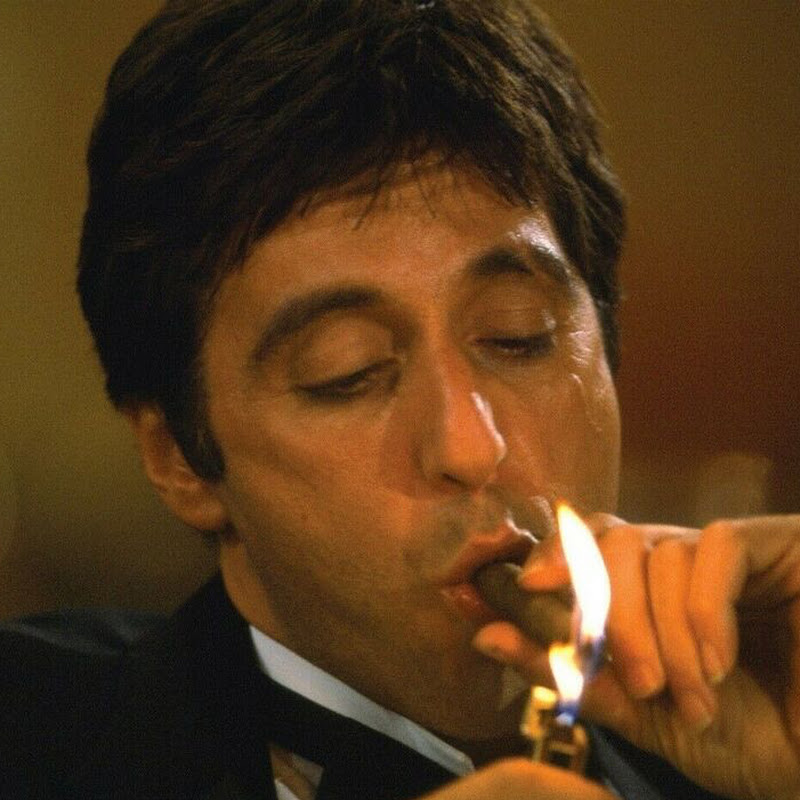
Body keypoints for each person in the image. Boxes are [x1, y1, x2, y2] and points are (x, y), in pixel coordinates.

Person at [1, 1, 798, 798]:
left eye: (517, 336)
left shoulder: (738, 740)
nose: (470, 449)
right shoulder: (32, 734)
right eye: (347, 373)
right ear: (178, 457)